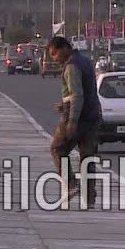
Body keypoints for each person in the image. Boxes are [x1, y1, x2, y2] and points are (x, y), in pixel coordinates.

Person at [47, 36, 102, 204]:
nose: (55, 59)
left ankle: (71, 184)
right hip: (92, 115)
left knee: (57, 149)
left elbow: (77, 96)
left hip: (77, 117)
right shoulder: (85, 61)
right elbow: (84, 92)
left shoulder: (71, 66)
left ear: (64, 48)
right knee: (87, 157)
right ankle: (89, 197)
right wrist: (64, 104)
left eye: (55, 54)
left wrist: (71, 122)